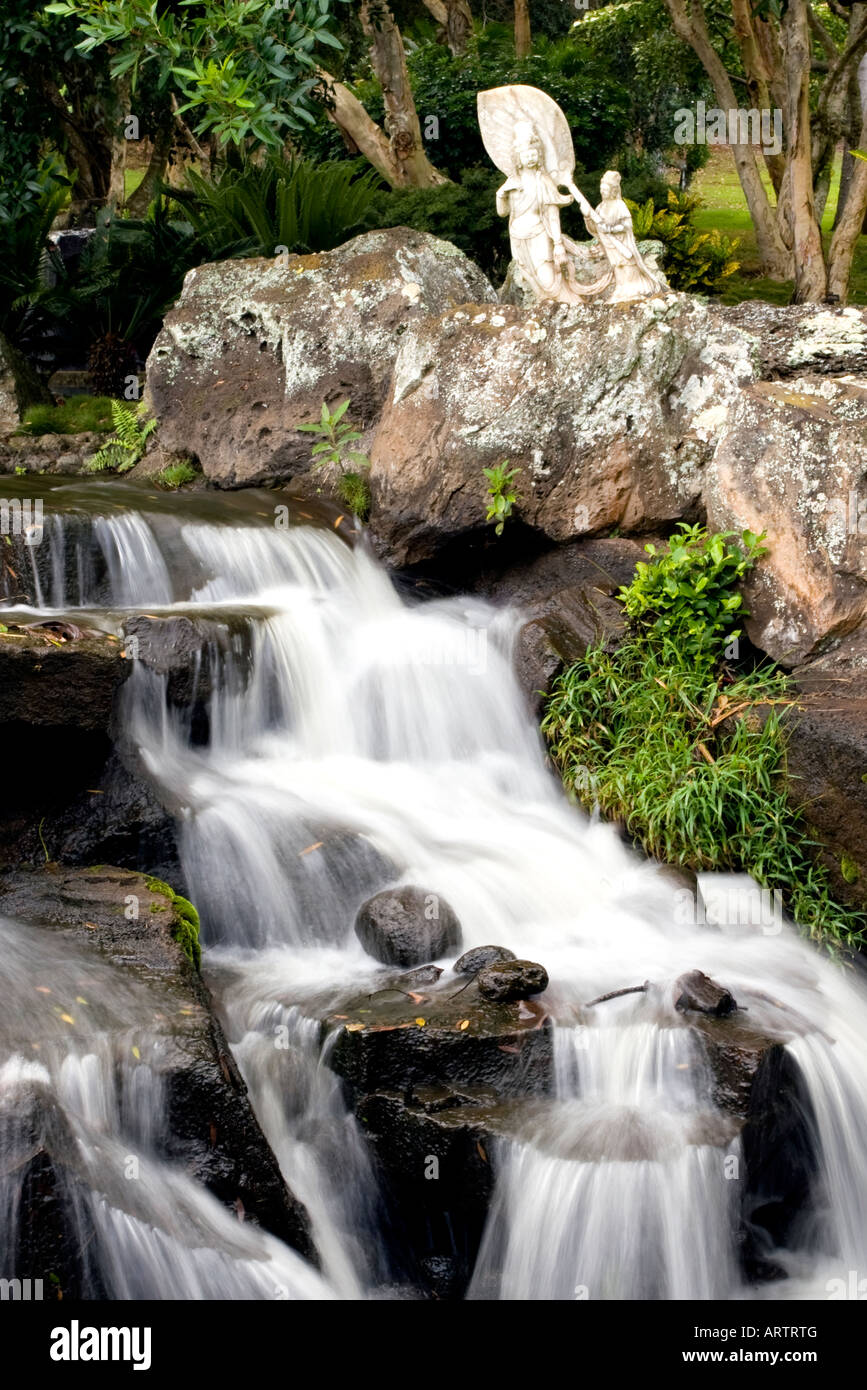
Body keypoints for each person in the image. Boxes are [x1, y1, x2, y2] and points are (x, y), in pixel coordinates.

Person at [495, 121, 610, 304]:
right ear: (518, 158)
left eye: (534, 153)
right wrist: (500, 194)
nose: (531, 158)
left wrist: (557, 243)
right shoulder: (512, 183)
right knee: (534, 281)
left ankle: (573, 305)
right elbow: (503, 212)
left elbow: (552, 214)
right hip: (517, 237)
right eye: (526, 155)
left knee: (547, 278)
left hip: (539, 233)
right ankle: (549, 310)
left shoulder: (544, 182)